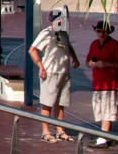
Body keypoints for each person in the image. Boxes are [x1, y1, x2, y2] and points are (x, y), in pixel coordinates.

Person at [30, 8, 81, 142]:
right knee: (47, 103)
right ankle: (45, 132)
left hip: (64, 72)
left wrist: (74, 59)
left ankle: (60, 130)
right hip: (50, 72)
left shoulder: (64, 33)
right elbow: (32, 50)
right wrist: (41, 66)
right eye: (60, 19)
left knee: (61, 103)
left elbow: (69, 47)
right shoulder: (46, 33)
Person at [86, 21, 118, 148]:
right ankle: (107, 135)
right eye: (99, 31)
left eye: (104, 31)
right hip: (97, 83)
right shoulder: (94, 44)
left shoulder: (115, 45)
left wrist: (106, 64)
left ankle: (103, 138)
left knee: (107, 111)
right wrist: (91, 64)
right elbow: (88, 61)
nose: (101, 34)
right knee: (100, 111)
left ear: (108, 32)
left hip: (109, 84)